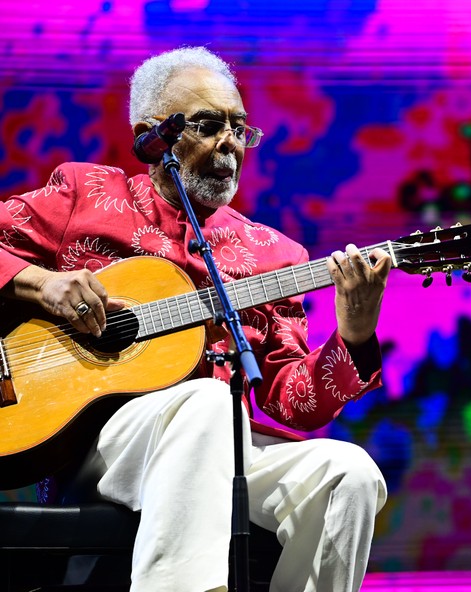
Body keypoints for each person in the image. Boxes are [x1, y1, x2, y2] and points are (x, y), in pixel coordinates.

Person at [0, 46, 392, 592]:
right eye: (208, 125)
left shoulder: (272, 253)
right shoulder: (83, 196)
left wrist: (353, 332)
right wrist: (44, 282)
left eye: (239, 127)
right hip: (95, 440)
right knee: (205, 401)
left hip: (221, 449)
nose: (229, 141)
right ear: (149, 135)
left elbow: (291, 403)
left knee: (350, 474)